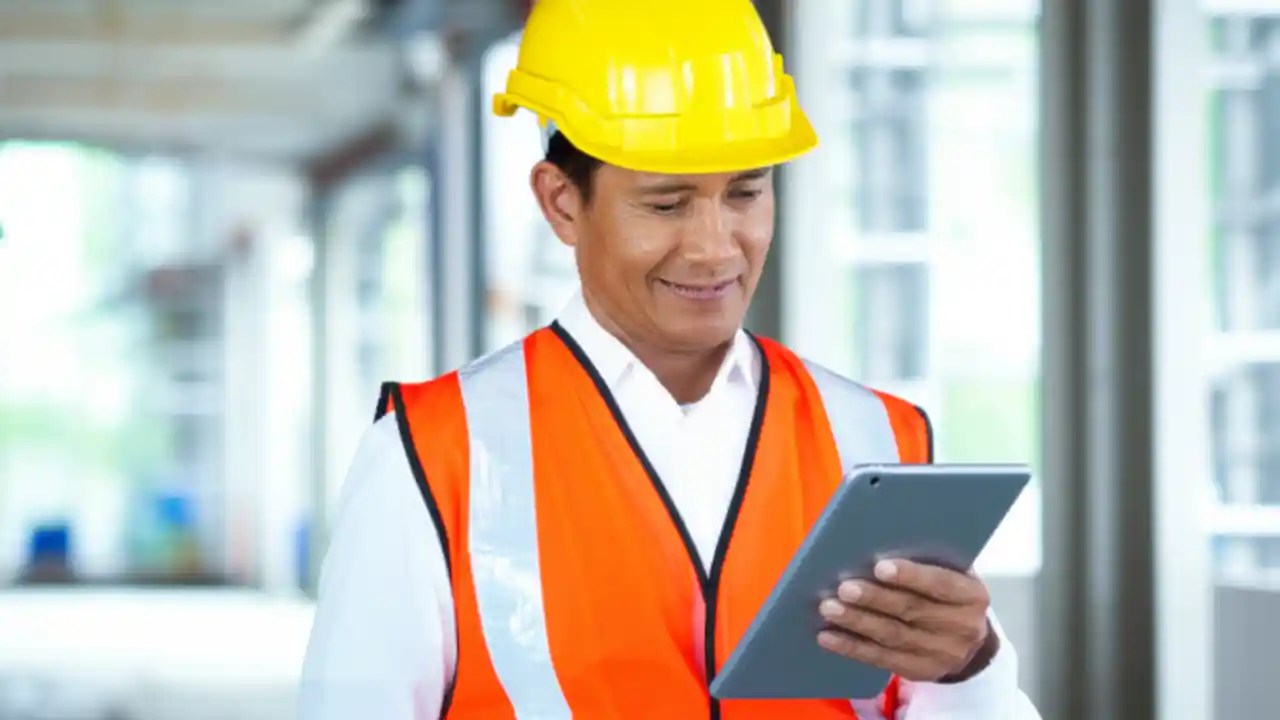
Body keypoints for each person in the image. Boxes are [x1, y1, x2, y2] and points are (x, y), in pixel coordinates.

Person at [299, 0, 1042, 717]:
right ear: (562, 202)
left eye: (745, 193)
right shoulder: (436, 455)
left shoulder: (875, 437)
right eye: (667, 204)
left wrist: (968, 667)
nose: (715, 247)